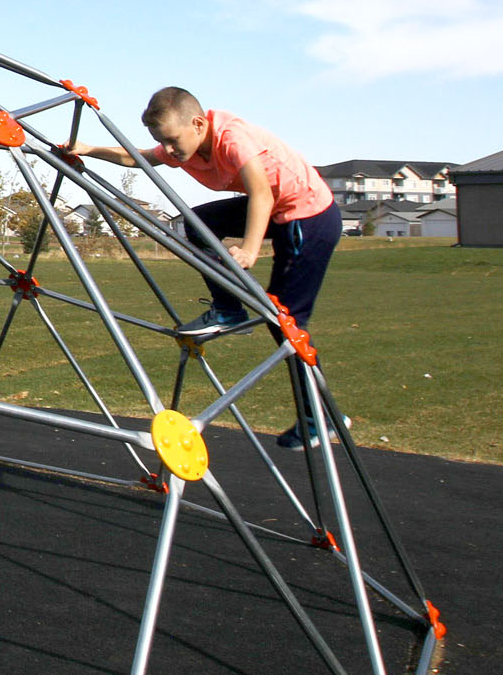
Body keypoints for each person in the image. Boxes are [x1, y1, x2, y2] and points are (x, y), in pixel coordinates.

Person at [66, 87, 342, 446]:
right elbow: (139, 158)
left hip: (308, 216)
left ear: (198, 123)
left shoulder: (231, 139)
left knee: (286, 321)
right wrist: (90, 150)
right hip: (278, 211)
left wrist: (249, 248)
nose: (168, 150)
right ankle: (228, 311)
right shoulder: (185, 147)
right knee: (198, 225)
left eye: (172, 141)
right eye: (162, 142)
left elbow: (262, 192)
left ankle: (321, 417)